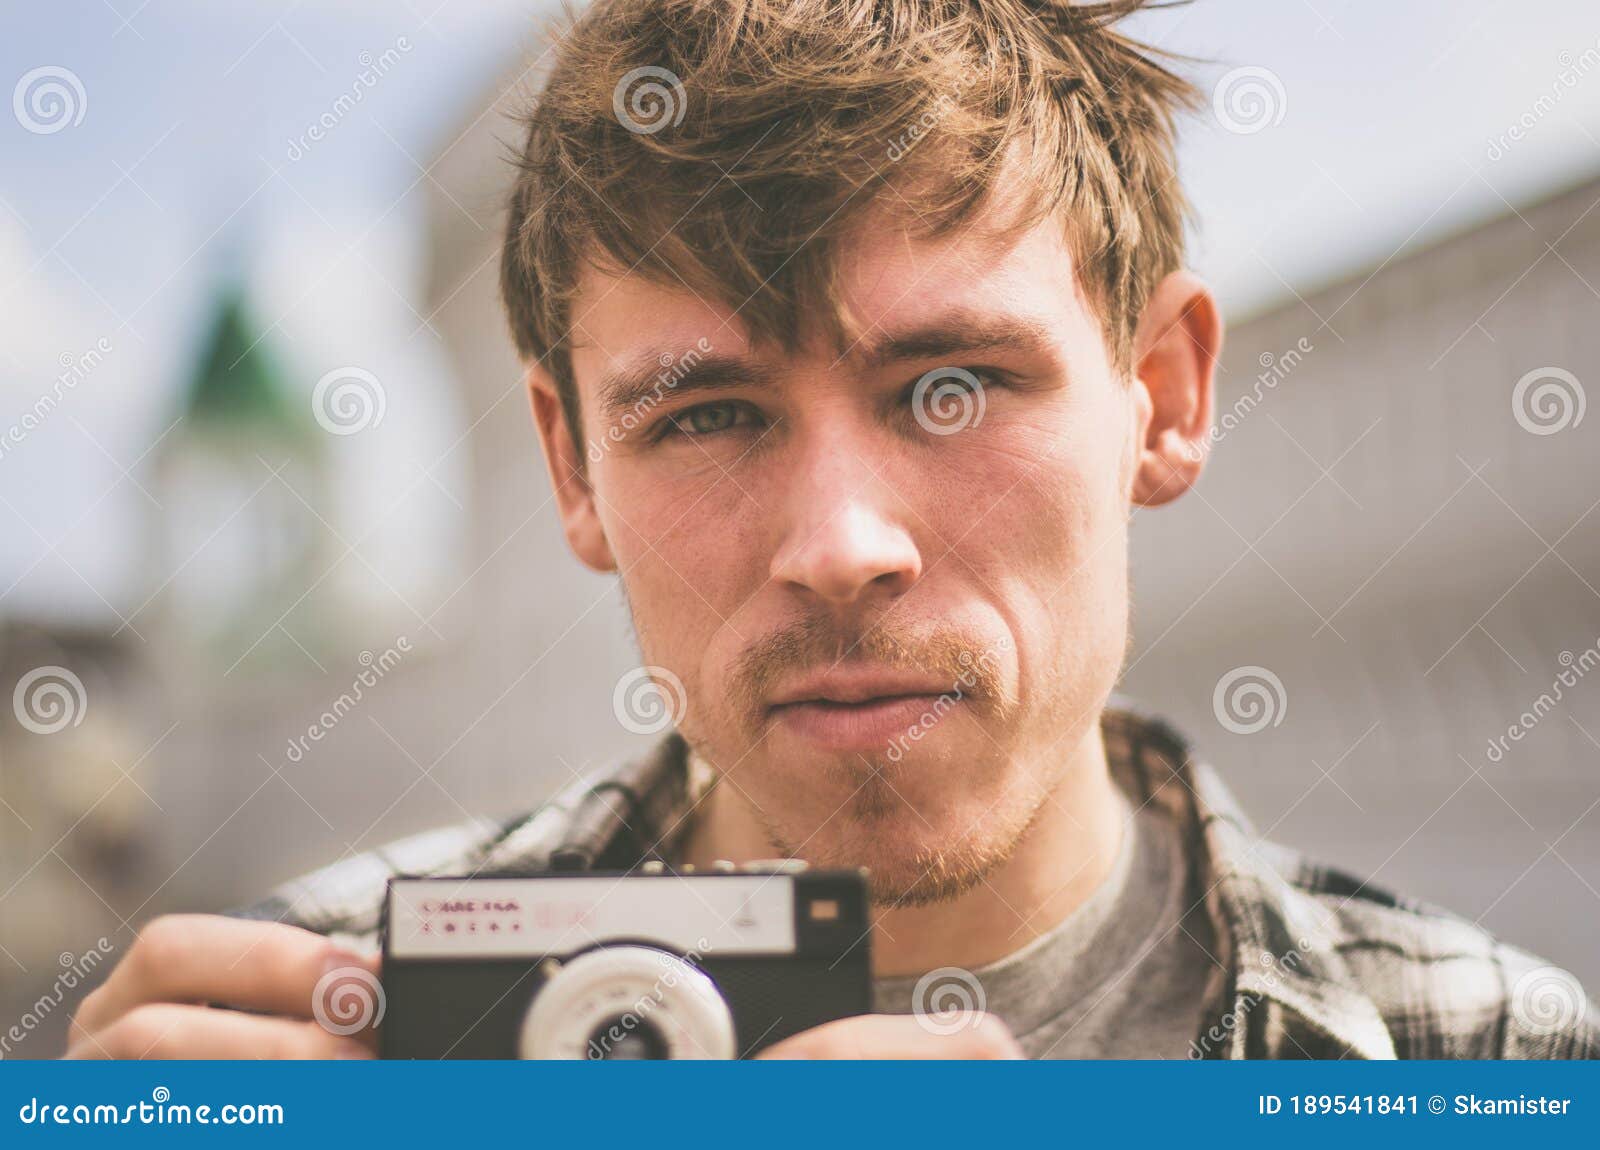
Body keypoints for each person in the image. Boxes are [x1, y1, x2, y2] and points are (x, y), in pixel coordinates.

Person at [66, 0, 1597, 1060]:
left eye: (949, 388)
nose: (842, 543)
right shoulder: (320, 1015)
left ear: (1164, 395)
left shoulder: (1492, 1054)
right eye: (708, 414)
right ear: (573, 466)